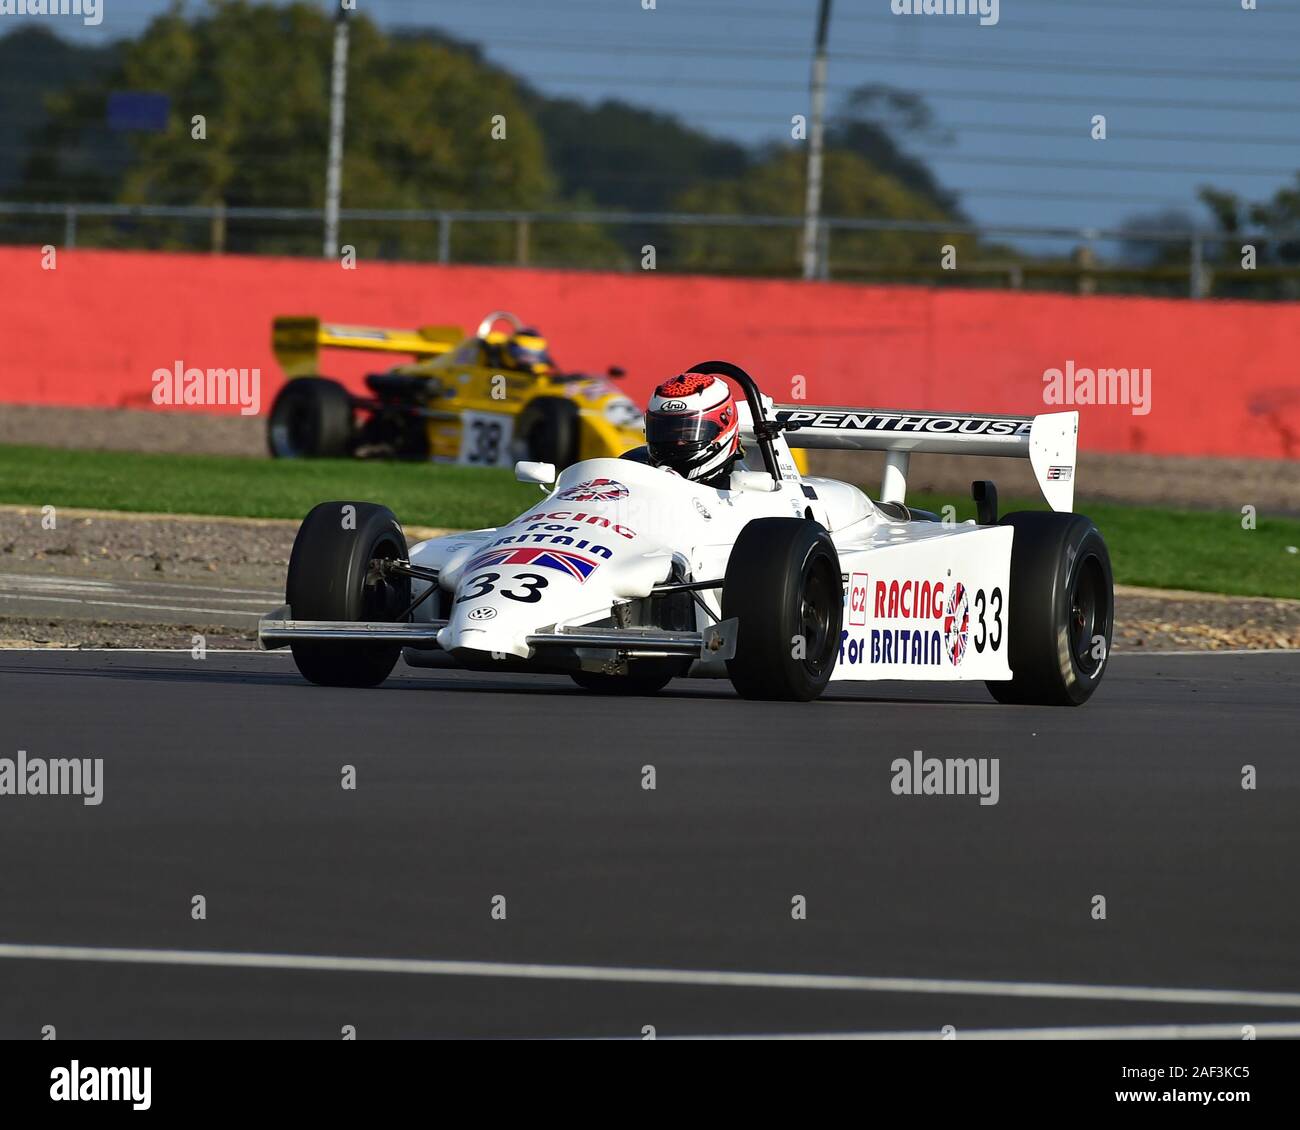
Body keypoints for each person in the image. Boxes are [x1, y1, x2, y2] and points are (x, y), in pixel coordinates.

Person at [644, 372, 743, 486]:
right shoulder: (633, 468)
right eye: (665, 434)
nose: (677, 443)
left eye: (688, 433)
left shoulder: (743, 492)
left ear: (722, 432)